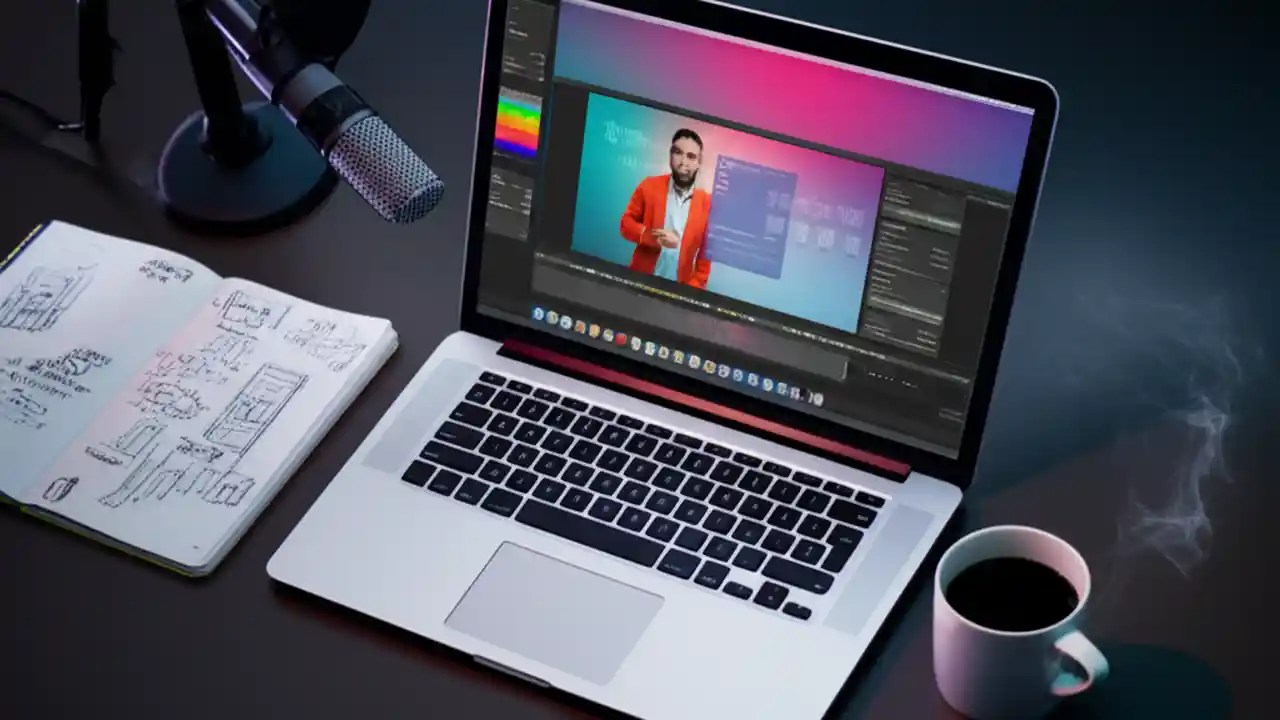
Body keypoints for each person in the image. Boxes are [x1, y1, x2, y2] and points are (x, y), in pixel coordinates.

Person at [619, 128, 712, 289]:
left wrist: (690, 291)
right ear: (670, 155)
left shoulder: (708, 204)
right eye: (678, 153)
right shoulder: (648, 186)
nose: (683, 162)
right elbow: (625, 224)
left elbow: (704, 262)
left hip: (679, 293)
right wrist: (652, 237)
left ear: (699, 163)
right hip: (639, 284)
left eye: (691, 156)